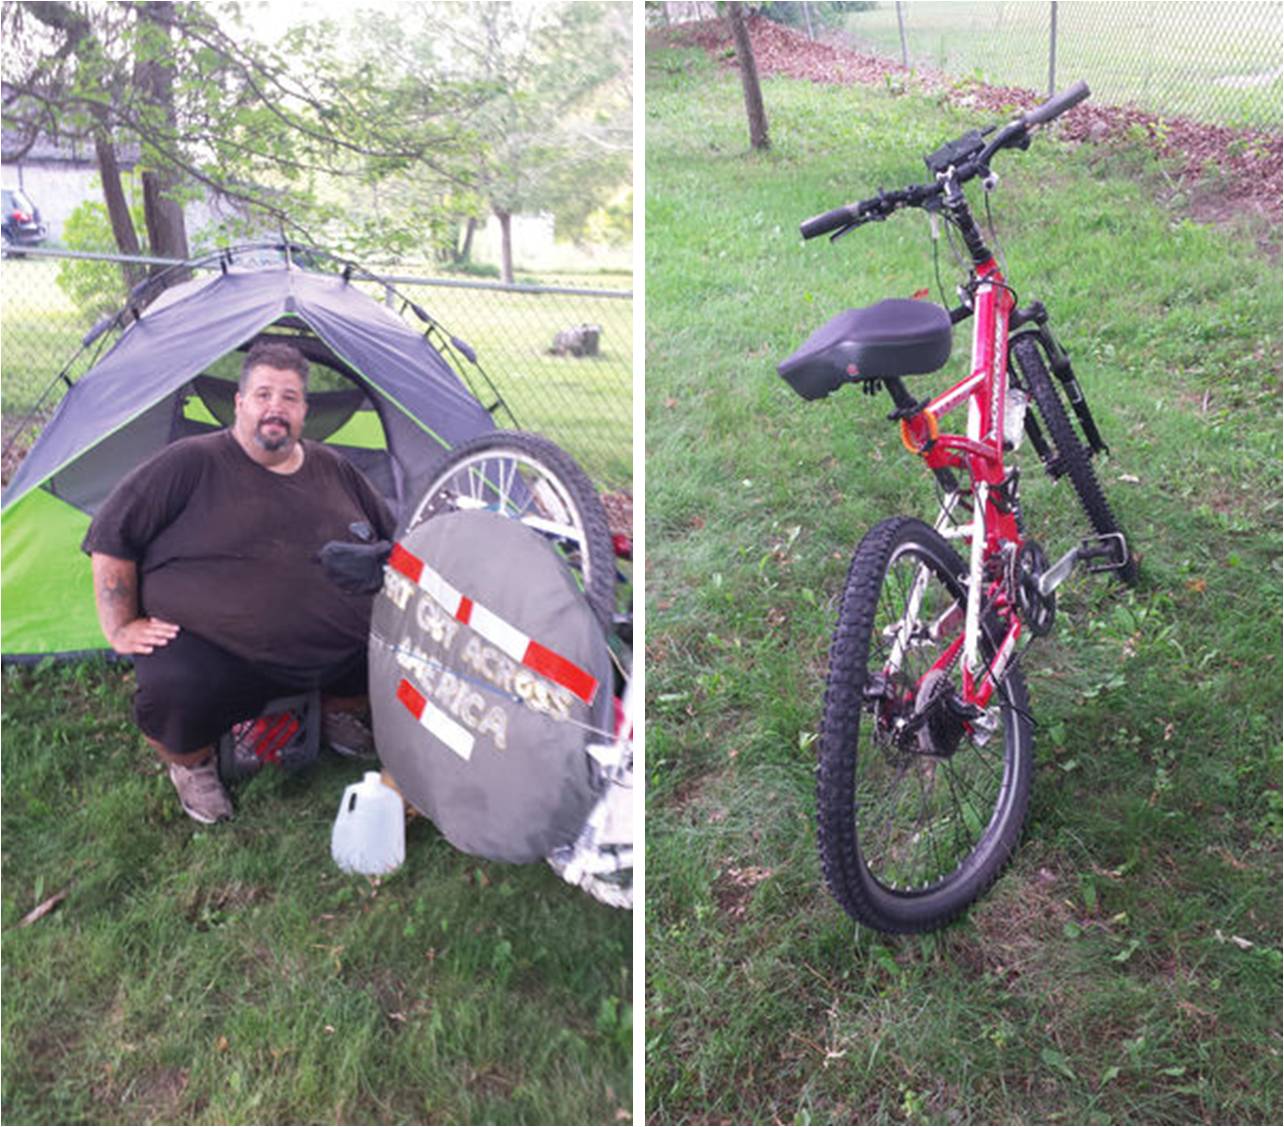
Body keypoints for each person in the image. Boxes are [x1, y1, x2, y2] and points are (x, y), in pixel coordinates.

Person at [82, 339, 396, 824]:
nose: (276, 408)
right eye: (264, 394)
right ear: (240, 403)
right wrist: (118, 625)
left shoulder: (335, 469)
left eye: (289, 397)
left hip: (334, 647)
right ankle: (192, 763)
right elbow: (110, 536)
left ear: (304, 410)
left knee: (388, 634)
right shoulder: (189, 463)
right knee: (174, 685)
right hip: (220, 652)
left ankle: (339, 712)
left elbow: (392, 538)